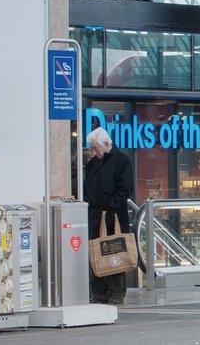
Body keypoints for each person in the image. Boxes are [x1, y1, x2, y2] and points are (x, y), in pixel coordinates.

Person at [82, 128, 134, 307]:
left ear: (106, 144)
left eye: (96, 148)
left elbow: (125, 188)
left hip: (113, 216)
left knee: (114, 252)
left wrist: (111, 205)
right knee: (96, 252)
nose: (94, 152)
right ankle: (99, 291)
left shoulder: (121, 160)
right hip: (95, 214)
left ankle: (117, 292)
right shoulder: (93, 163)